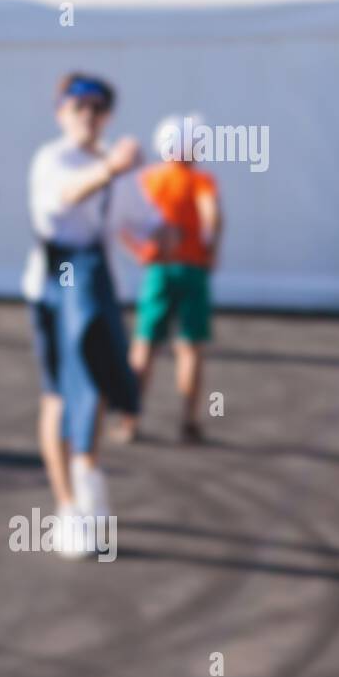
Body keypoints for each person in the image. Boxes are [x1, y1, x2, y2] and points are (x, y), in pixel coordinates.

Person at [22, 73, 141, 558]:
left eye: (97, 107)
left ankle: (87, 474)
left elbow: (138, 218)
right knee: (57, 394)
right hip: (55, 287)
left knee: (92, 385)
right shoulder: (53, 160)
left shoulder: (114, 161)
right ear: (61, 113)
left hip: (94, 286)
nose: (89, 116)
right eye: (79, 107)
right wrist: (110, 170)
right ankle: (68, 504)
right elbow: (60, 201)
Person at [116, 114, 223, 444]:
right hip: (193, 270)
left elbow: (121, 220)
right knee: (190, 347)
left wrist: (139, 251)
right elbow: (212, 216)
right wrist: (210, 250)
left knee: (144, 344)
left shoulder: (148, 179)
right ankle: (189, 422)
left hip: (159, 270)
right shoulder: (200, 180)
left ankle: (130, 420)